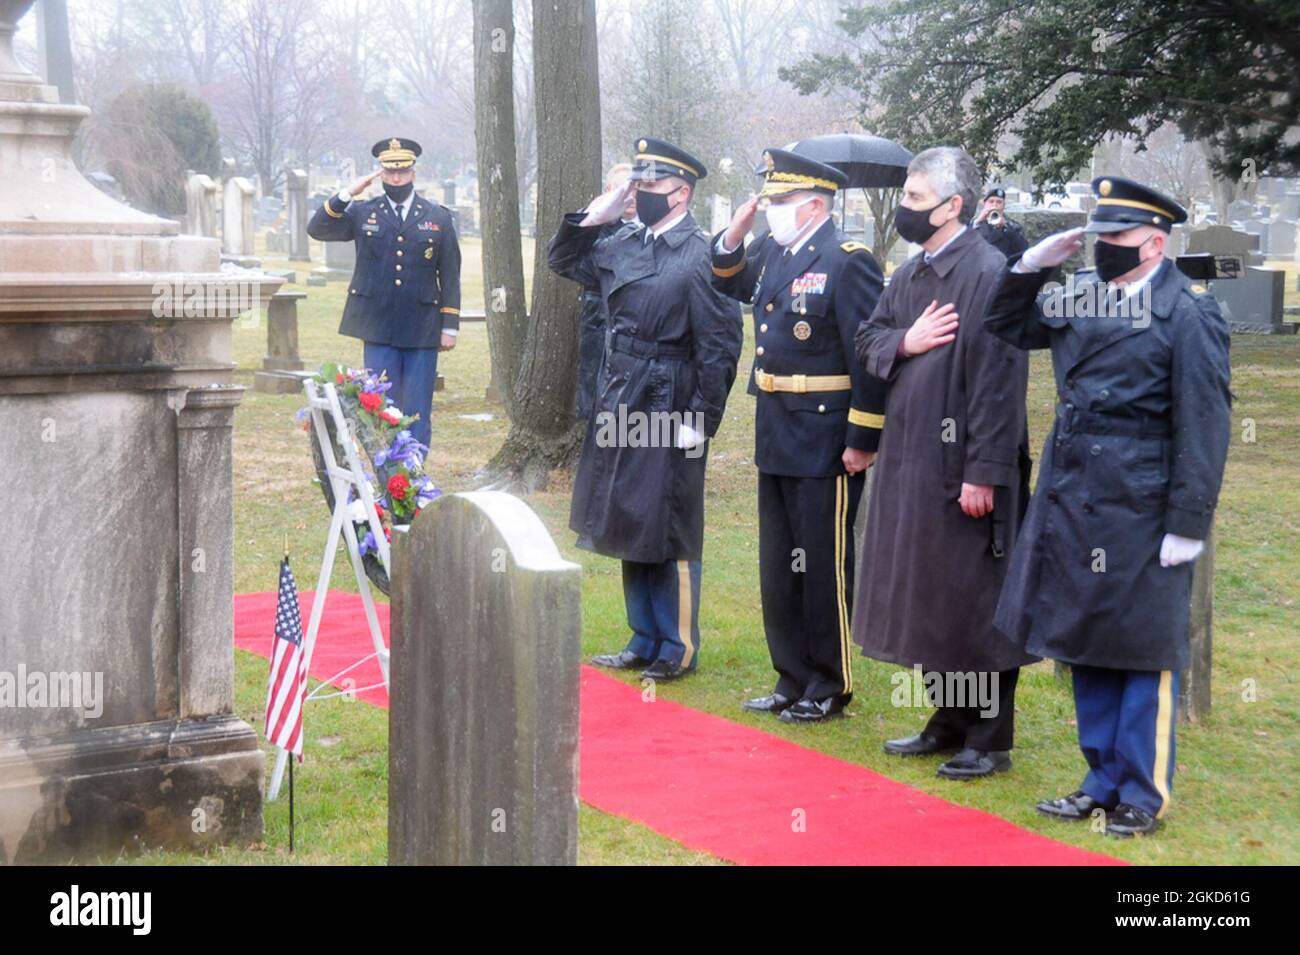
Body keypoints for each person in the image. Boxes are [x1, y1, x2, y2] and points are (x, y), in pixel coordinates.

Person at [985, 176, 1231, 836]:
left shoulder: (1189, 313)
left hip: (1142, 500)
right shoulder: (1083, 295)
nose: (1105, 246)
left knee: (1142, 648)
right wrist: (1029, 266)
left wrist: (1188, 520)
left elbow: (1205, 422)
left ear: (1155, 243)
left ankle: (1143, 791)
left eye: (1118, 236)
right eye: (1100, 235)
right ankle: (1099, 779)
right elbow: (1004, 324)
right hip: (1076, 494)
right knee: (1087, 639)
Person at [854, 146, 1035, 777]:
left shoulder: (988, 272)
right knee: (931, 595)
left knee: (976, 599)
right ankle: (947, 719)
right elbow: (868, 337)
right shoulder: (911, 273)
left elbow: (999, 381)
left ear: (953, 206)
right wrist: (905, 342)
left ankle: (988, 739)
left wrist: (984, 471)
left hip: (966, 466)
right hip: (912, 461)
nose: (904, 207)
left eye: (915, 198)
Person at [548, 137, 743, 681]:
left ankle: (677, 644)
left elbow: (720, 347)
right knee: (631, 515)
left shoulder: (702, 254)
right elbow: (563, 260)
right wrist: (596, 215)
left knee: (670, 518)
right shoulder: (625, 242)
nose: (642, 193)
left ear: (682, 194)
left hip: (670, 395)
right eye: (639, 184)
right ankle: (643, 636)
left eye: (652, 184)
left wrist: (700, 419)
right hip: (622, 390)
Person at [711, 148, 887, 723]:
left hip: (825, 433)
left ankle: (829, 683)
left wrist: (863, 435)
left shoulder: (848, 260)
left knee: (821, 563)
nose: (771, 209)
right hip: (777, 426)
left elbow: (868, 357)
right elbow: (729, 281)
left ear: (814, 205)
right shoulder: (772, 250)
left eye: (780, 200)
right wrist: (733, 236)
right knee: (780, 566)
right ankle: (790, 677)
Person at [307, 137, 460, 451]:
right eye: (390, 172)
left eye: (402, 171)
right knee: (380, 407)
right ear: (380, 174)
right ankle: (386, 470)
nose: (396, 178)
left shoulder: (437, 217)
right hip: (378, 327)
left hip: (422, 327)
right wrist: (348, 194)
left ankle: (413, 474)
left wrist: (450, 327)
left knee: (417, 410)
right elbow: (318, 228)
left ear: (413, 173)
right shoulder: (363, 213)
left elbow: (450, 274)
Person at [575, 162, 636, 422]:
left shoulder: (650, 226)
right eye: (625, 191)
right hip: (600, 314)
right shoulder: (596, 225)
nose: (631, 197)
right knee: (595, 384)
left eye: (637, 190)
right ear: (610, 191)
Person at [973, 186, 1028, 261]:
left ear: (1004, 205)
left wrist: (1006, 226)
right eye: (991, 201)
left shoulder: (1014, 226)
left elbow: (1023, 249)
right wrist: (977, 222)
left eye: (999, 202)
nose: (994, 205)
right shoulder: (975, 224)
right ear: (984, 204)